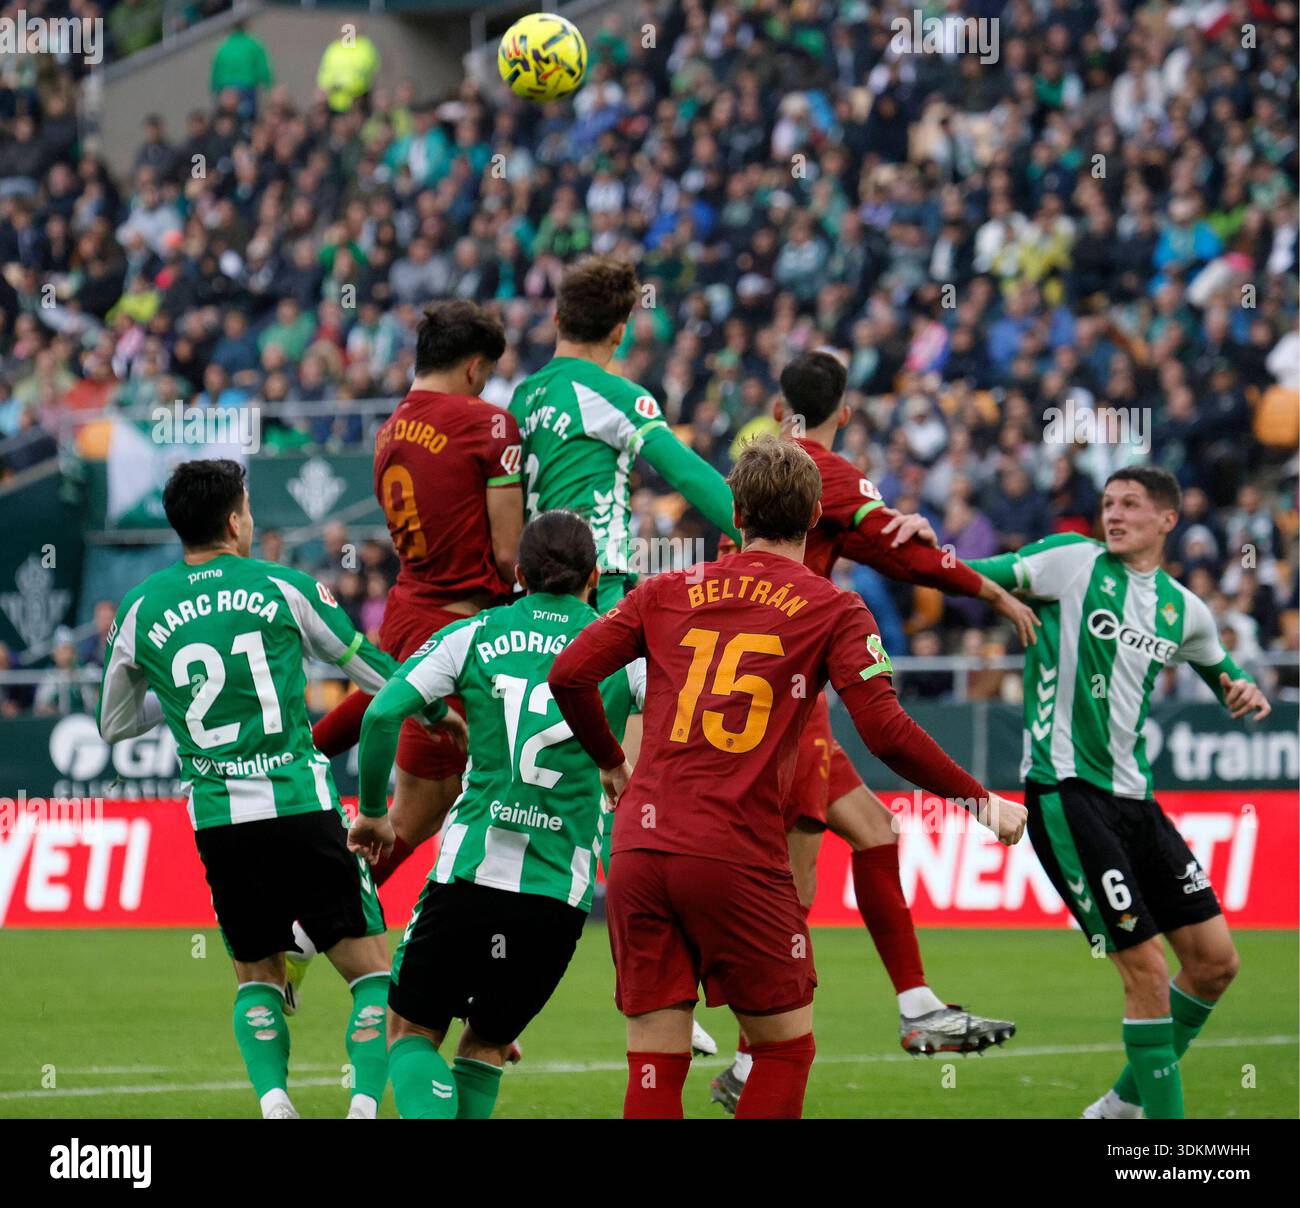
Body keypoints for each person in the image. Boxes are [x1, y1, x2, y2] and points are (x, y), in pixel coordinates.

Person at [549, 435, 1026, 1118]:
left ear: (735, 515)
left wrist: (610, 760)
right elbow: (885, 730)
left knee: (656, 1059)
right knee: (780, 1050)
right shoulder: (833, 608)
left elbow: (569, 674)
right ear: (813, 521)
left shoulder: (664, 590)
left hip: (639, 850)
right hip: (732, 851)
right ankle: (914, 1002)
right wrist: (978, 800)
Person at [710, 351, 1039, 1109]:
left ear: (779, 402)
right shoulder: (821, 470)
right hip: (784, 699)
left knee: (876, 835)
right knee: (789, 887)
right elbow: (907, 554)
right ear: (846, 410)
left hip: (764, 691)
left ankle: (914, 1005)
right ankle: (753, 1057)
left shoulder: (767, 472)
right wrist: (989, 589)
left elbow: (885, 543)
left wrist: (896, 531)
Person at [96, 459, 435, 1119]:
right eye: (248, 509)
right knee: (369, 973)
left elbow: (112, 723)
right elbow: (369, 669)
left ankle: (276, 1103)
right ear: (233, 520)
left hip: (219, 822)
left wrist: (174, 694)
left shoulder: (142, 607)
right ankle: (363, 1106)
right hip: (299, 807)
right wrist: (435, 701)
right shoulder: (283, 586)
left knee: (257, 973)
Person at [969, 466, 1271, 1120]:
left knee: (1216, 963)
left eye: (1132, 504)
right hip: (1066, 793)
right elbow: (966, 570)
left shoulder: (1182, 609)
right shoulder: (1070, 562)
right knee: (1149, 974)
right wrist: (993, 593)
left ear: (1168, 519)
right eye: (1109, 503)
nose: (1115, 514)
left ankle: (1118, 1109)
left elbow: (1221, 669)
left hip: (1138, 801)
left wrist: (1241, 687)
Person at [350, 511, 640, 1118]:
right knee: (483, 1043)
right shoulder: (624, 652)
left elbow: (379, 715)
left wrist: (375, 813)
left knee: (410, 1032)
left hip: (468, 878)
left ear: (518, 575)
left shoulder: (474, 635)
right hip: (556, 896)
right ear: (593, 577)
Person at [310, 301, 523, 896]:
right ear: (476, 368)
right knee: (418, 813)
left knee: (392, 699)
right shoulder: (490, 424)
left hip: (408, 610)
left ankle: (301, 752)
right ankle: (310, 927)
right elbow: (509, 556)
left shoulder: (389, 428)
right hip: (454, 624)